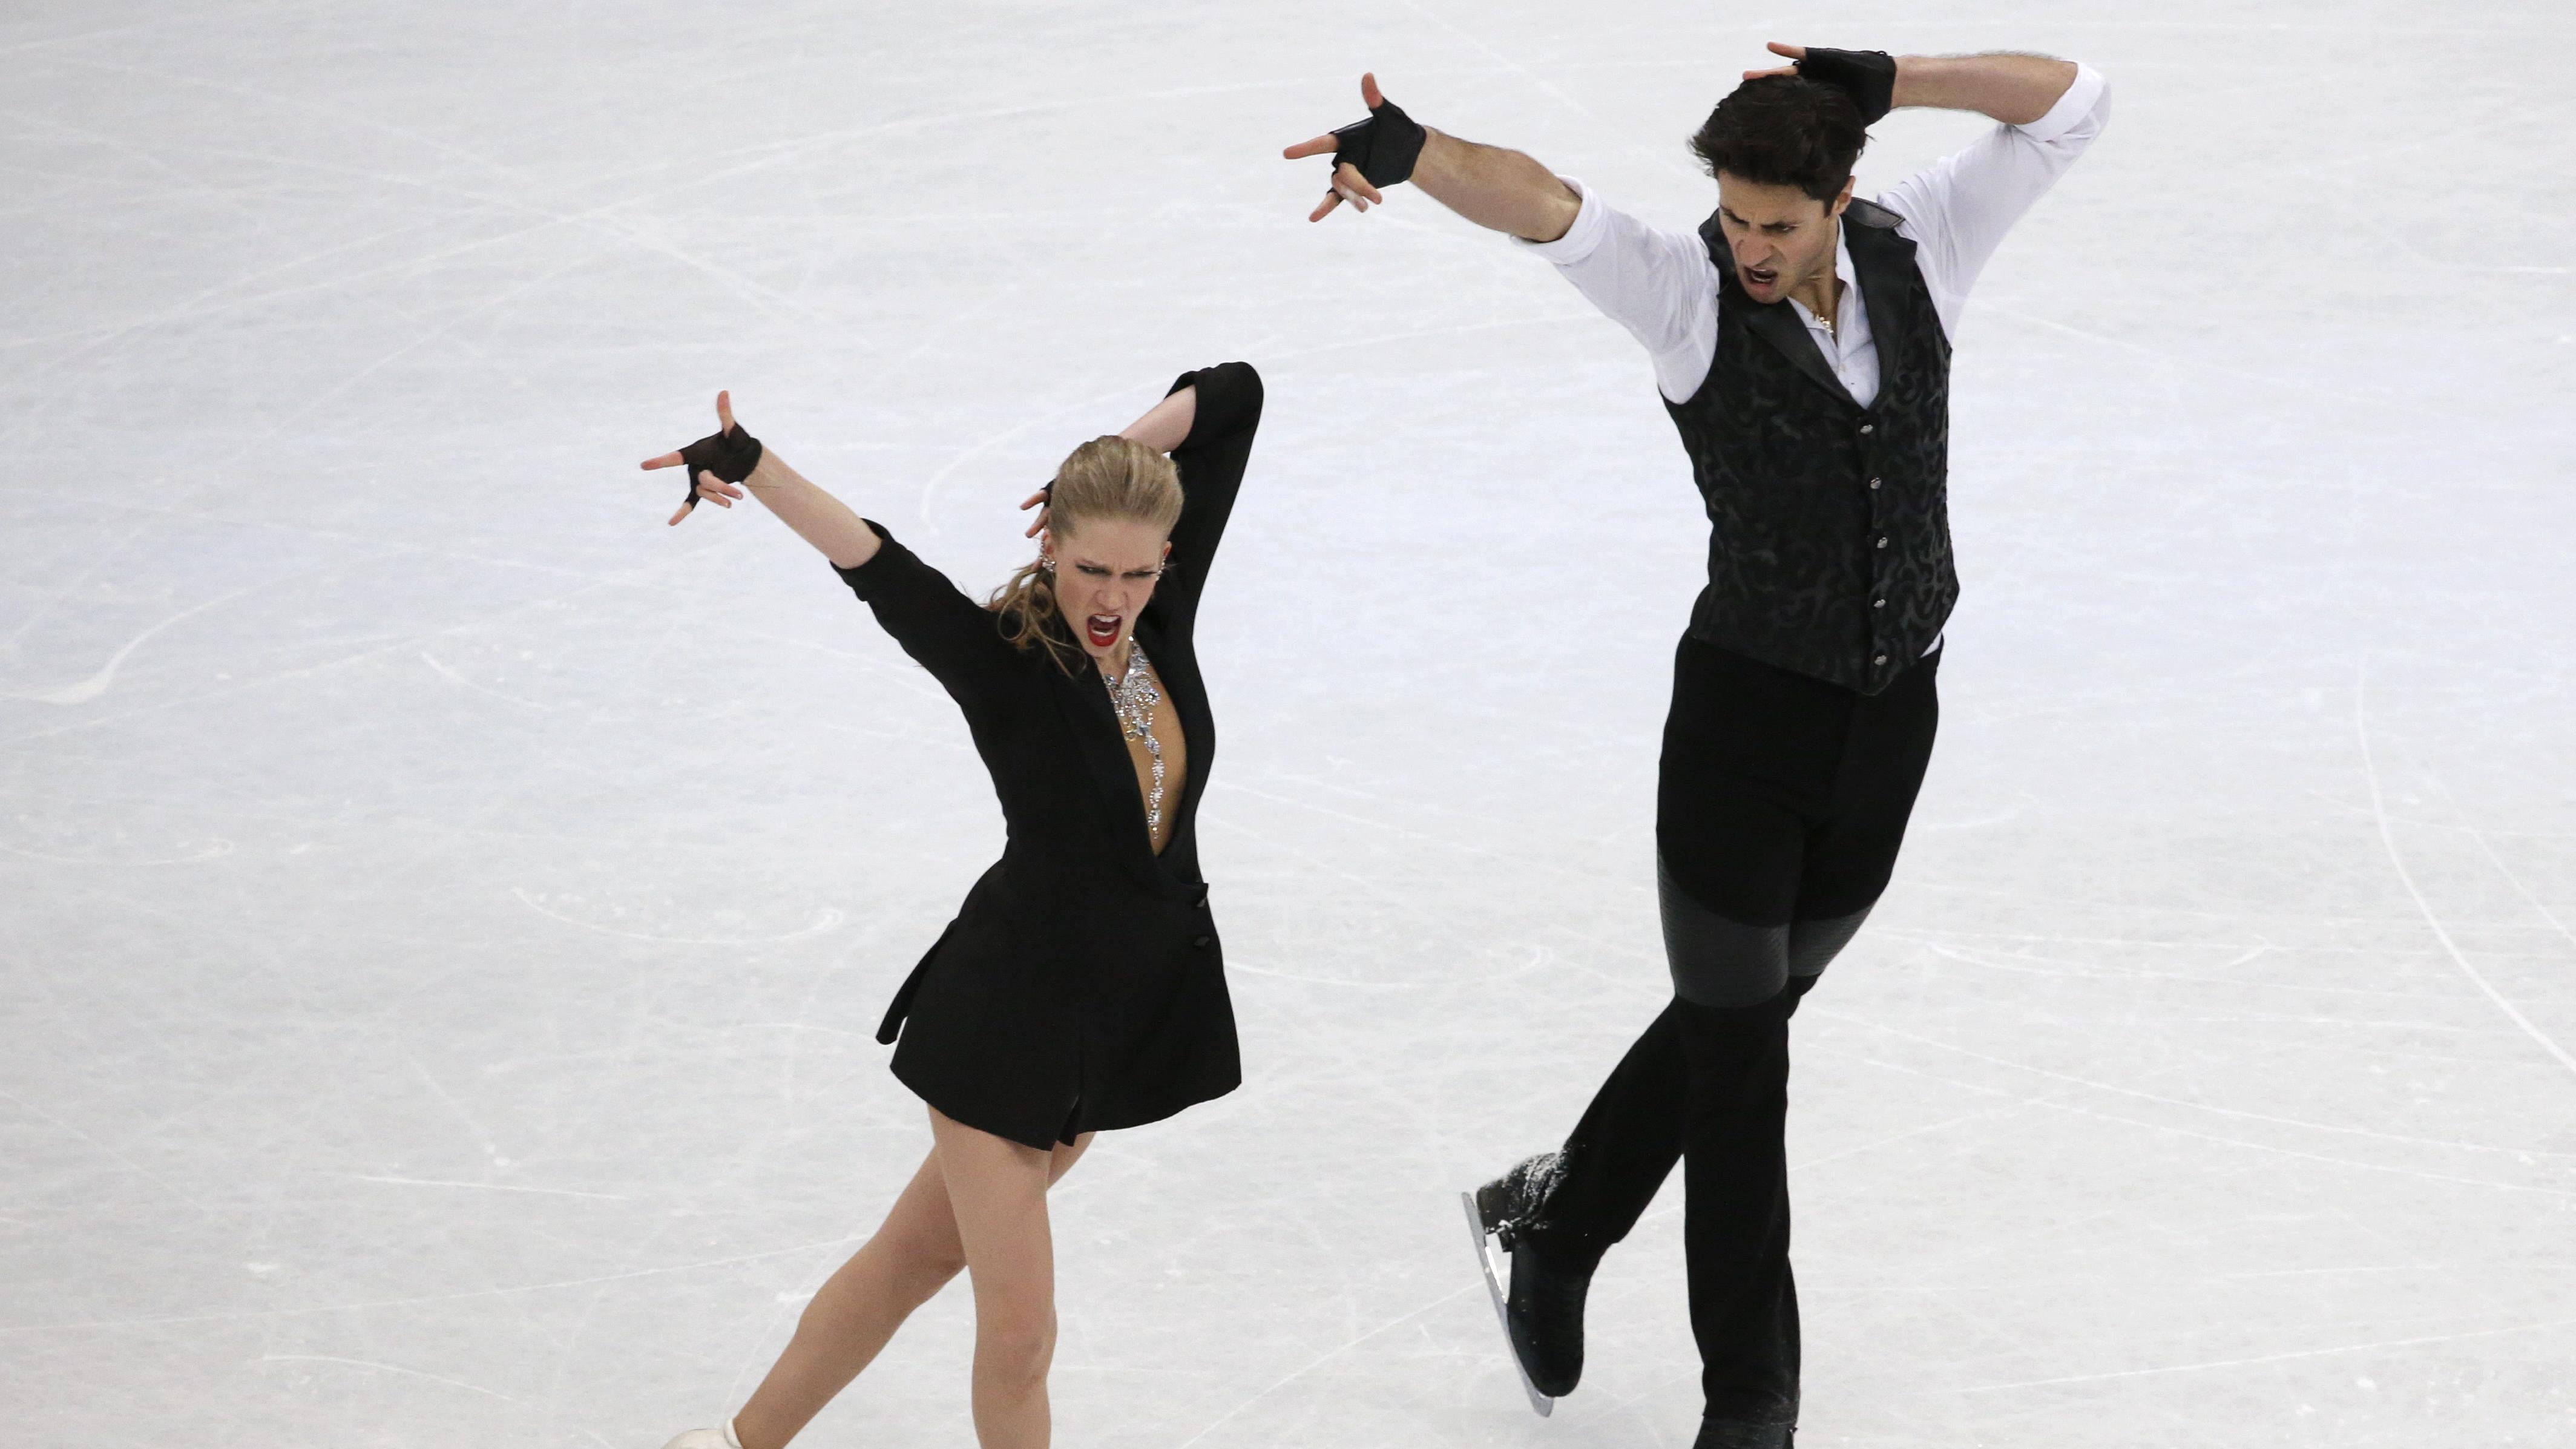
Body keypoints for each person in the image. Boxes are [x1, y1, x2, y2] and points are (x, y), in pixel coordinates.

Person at [1287, 42, 2108, 1448]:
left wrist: (1893, 75)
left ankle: (1553, 1221)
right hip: (1740, 732)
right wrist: (1418, 155)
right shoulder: (1687, 302)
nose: (1747, 248)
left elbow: (2074, 101)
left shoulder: (1924, 247)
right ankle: (1752, 1406)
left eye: (1776, 225)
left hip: (1888, 729)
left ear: (1841, 197)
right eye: (1733, 218)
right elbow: (1547, 205)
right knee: (1742, 1081)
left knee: (1753, 1016)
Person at [638, 359, 1264, 1449]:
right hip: (1008, 1023)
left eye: (1136, 571)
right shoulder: (1005, 666)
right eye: (1087, 567)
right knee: (1021, 1336)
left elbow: (1236, 395)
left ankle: (737, 1445)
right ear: (1048, 545)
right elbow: (874, 562)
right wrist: (754, 466)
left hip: (1111, 1021)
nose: (1111, 598)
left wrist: (1107, 458)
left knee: (912, 1258)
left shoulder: (1159, 616)